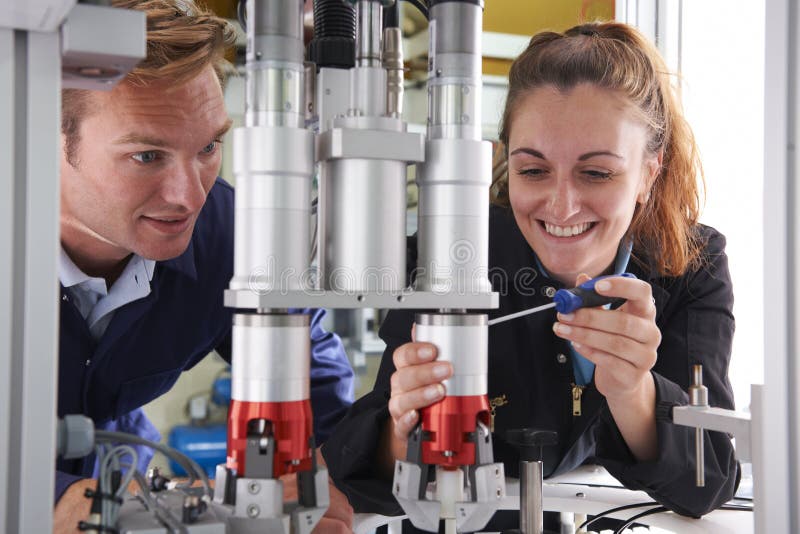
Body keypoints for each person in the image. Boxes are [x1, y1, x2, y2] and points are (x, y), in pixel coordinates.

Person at [323, 20, 739, 529]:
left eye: (597, 172)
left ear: (649, 173)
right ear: (504, 163)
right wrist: (400, 426)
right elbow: (361, 472)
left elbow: (708, 480)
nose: (561, 207)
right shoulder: (458, 252)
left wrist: (632, 391)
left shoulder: (689, 264)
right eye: (534, 170)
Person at [54, 1, 354, 532]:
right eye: (147, 155)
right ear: (46, 137)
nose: (189, 196)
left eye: (209, 146)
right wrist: (56, 498)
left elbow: (304, 354)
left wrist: (325, 467)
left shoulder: (226, 233)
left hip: (119, 483)